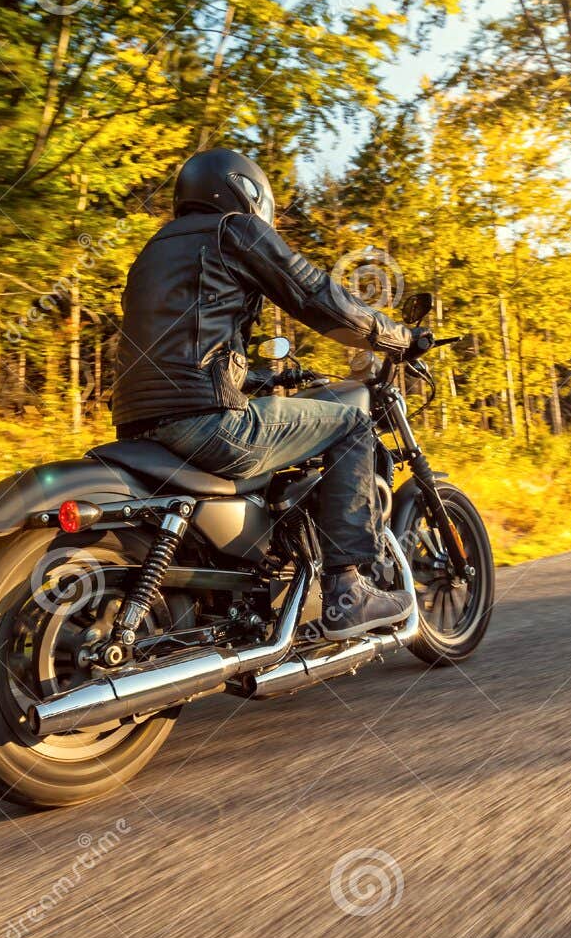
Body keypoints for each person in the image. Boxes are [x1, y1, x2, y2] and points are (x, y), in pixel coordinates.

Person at [112, 148, 433, 640]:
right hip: (204, 422)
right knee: (351, 424)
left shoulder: (151, 254)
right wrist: (397, 337)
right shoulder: (234, 230)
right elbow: (319, 297)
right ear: (246, 191)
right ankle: (348, 589)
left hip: (138, 426)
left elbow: (182, 347)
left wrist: (258, 376)